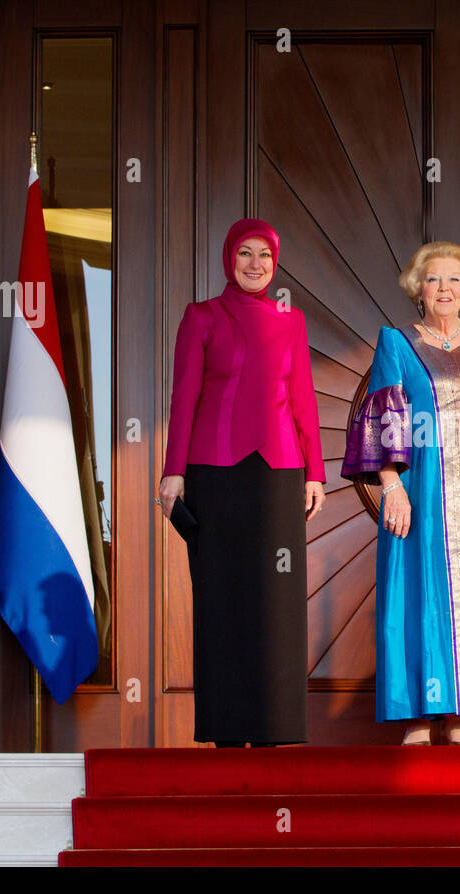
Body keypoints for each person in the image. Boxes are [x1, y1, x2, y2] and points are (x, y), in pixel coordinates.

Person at [341, 241, 460, 745]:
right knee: (421, 595)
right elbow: (386, 415)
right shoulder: (397, 343)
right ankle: (422, 717)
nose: (444, 288)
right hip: (422, 492)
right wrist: (391, 485)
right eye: (433, 280)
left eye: (454, 279)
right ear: (418, 291)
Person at [158, 219, 325, 746]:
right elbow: (183, 397)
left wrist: (315, 472)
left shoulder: (291, 320)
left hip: (279, 474)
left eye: (264, 256)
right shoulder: (201, 316)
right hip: (214, 474)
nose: (255, 265)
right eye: (245, 254)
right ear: (229, 258)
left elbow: (302, 398)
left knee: (276, 601)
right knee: (222, 597)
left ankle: (275, 726)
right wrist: (172, 470)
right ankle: (228, 730)